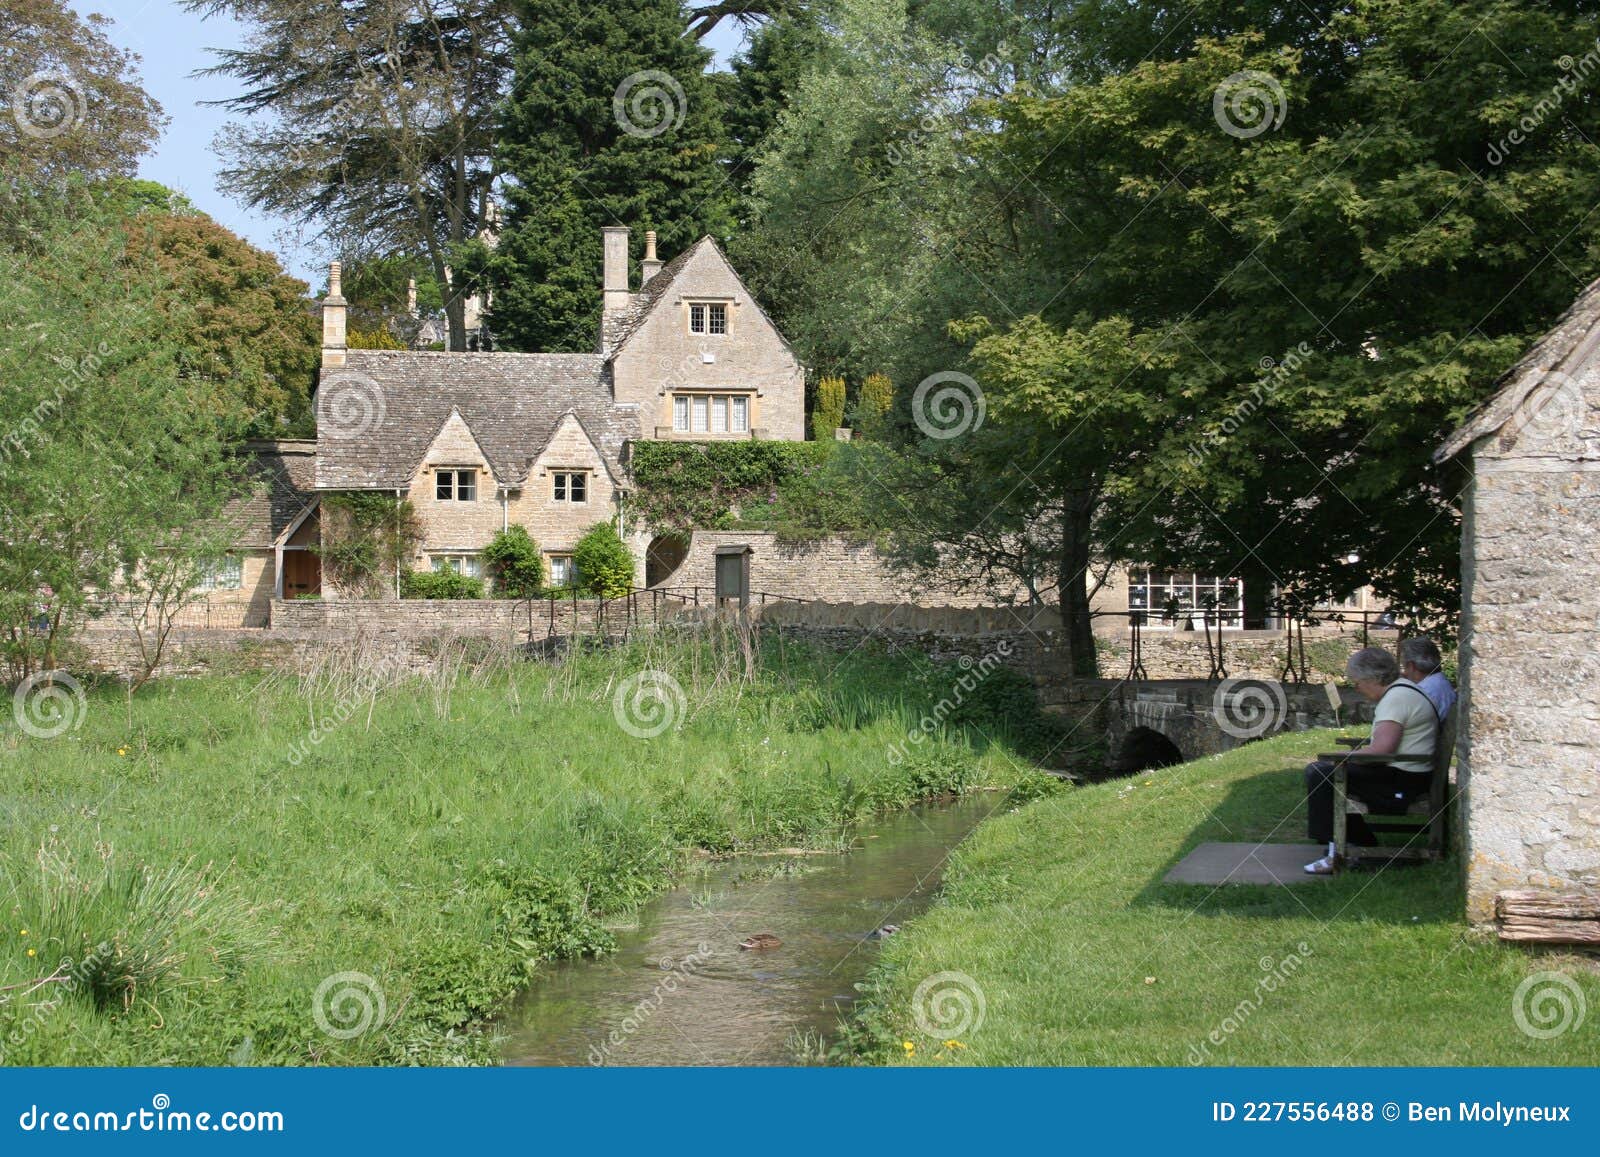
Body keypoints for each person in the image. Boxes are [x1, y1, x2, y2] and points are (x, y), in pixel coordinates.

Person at [1302, 646, 1438, 874]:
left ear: (1373, 678)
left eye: (1357, 682)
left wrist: (1343, 758)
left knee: (1320, 773)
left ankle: (1337, 850)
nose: (1357, 688)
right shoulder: (1402, 691)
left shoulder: (1396, 698)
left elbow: (1382, 751)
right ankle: (1353, 842)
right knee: (1322, 772)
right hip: (1409, 774)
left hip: (1403, 782)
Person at [1399, 636, 1455, 721]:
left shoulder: (1423, 691)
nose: (1404, 672)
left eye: (1404, 666)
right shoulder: (1439, 681)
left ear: (1411, 666)